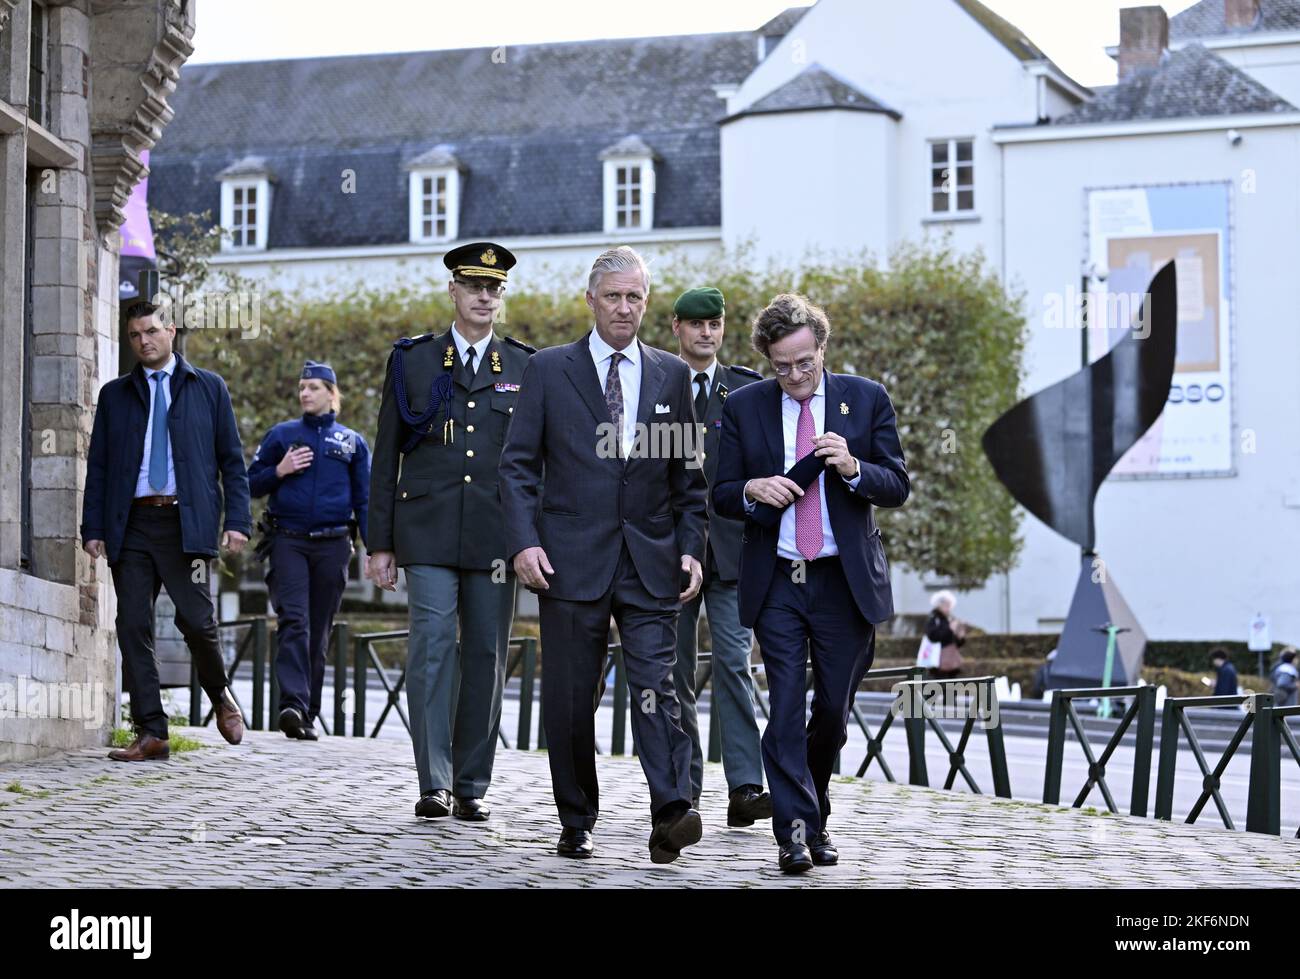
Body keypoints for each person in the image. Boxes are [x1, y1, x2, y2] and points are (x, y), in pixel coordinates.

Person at [499, 246, 709, 863]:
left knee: (656, 687)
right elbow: (515, 468)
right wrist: (523, 542)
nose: (624, 307)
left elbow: (689, 481)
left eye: (635, 297)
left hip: (650, 561)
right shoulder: (546, 369)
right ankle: (576, 818)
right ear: (590, 300)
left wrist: (692, 550)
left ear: (647, 302)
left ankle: (671, 810)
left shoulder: (671, 374)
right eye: (613, 296)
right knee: (570, 697)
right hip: (567, 560)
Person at [712, 293, 909, 874]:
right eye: (782, 366)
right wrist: (752, 489)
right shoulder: (746, 406)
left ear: (822, 347)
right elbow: (721, 492)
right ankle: (793, 833)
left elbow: (897, 484)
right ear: (767, 360)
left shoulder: (866, 399)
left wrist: (853, 468)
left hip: (843, 582)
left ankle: (813, 810)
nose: (795, 377)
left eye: (805, 363)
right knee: (787, 708)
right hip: (776, 579)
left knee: (832, 714)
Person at [367, 242, 534, 822]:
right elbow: (385, 451)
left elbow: (537, 463)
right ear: (453, 292)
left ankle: (470, 784)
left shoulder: (524, 365)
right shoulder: (413, 361)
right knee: (433, 648)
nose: (485, 296)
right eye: (474, 286)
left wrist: (532, 539)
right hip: (428, 528)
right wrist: (379, 542)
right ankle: (433, 780)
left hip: (495, 534)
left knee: (487, 655)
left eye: (494, 289)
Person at [81, 300, 251, 761]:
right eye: (135, 336)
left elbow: (232, 463)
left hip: (186, 525)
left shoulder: (208, 388)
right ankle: (152, 730)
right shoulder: (115, 396)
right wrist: (92, 526)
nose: (144, 342)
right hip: (131, 525)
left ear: (170, 330)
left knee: (197, 620)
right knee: (132, 624)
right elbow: (98, 466)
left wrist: (237, 521)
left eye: (151, 332)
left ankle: (220, 696)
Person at [670, 286, 771, 825]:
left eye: (715, 324)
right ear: (676, 329)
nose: (706, 333)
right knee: (675, 671)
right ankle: (683, 790)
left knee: (734, 664)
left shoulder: (748, 391)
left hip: (733, 550)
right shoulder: (656, 382)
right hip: (669, 552)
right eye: (695, 324)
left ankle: (746, 787)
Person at [248, 361, 371, 741]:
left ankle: (307, 713)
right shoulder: (281, 435)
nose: (305, 393)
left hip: (334, 545)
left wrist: (372, 549)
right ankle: (292, 705)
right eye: (302, 387)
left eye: (314, 387)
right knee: (294, 622)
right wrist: (280, 470)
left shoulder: (352, 442)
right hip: (288, 540)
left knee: (319, 631)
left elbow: (365, 501)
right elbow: (249, 484)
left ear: (332, 394)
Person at [926, 590, 967, 680]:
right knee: (938, 688)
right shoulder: (934, 618)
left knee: (951, 690)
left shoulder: (950, 619)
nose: (948, 608)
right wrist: (950, 629)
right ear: (939, 605)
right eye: (946, 605)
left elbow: (957, 643)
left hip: (951, 662)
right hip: (938, 662)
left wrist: (960, 636)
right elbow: (932, 636)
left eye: (949, 605)